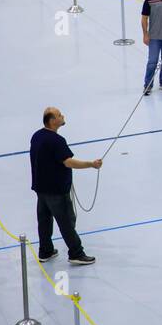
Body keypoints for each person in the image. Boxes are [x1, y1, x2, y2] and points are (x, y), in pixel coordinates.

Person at [29, 108, 99, 265]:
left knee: (44, 220)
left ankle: (45, 251)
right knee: (66, 222)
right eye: (59, 115)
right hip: (56, 190)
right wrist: (91, 164)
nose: (63, 116)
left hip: (41, 187)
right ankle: (76, 253)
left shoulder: (37, 136)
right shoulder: (57, 141)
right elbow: (68, 162)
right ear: (52, 120)